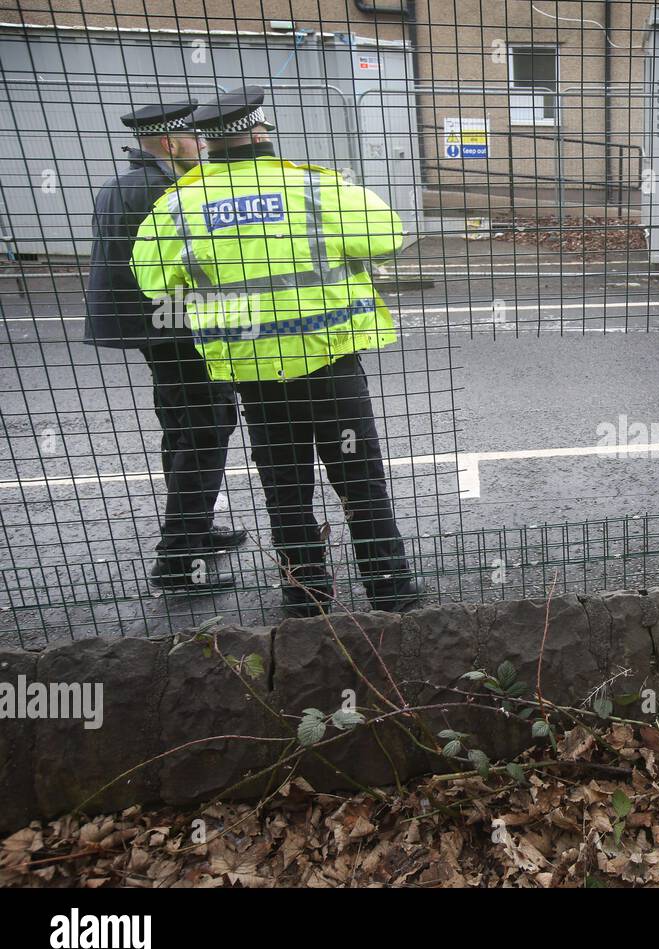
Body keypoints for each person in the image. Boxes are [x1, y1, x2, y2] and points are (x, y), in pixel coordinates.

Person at [131, 86, 420, 617]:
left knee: (285, 489)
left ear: (208, 143)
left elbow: (153, 280)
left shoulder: (178, 205)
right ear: (260, 132)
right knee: (360, 482)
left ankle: (304, 594)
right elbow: (390, 235)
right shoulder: (316, 188)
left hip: (255, 372)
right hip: (330, 365)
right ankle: (390, 589)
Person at [85, 100, 247, 592]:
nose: (204, 146)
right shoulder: (168, 188)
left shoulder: (121, 183)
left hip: (152, 330)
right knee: (205, 430)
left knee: (182, 428)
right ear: (171, 143)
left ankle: (194, 529)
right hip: (176, 329)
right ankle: (177, 558)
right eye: (197, 140)